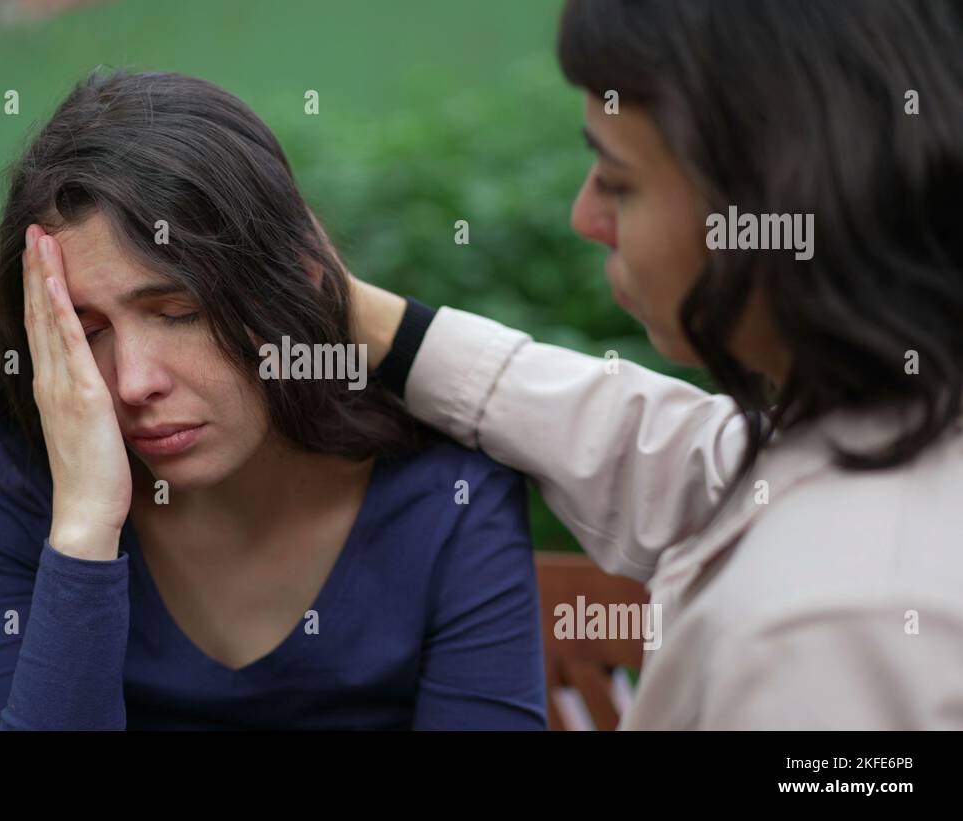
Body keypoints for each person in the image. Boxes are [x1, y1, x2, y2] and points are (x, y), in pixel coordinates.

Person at [347, 0, 963, 729]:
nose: (586, 217)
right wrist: (386, 331)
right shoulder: (900, 432)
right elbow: (694, 463)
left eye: (617, 180)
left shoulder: (826, 633)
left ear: (776, 192)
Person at [0, 69, 547, 730]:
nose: (133, 382)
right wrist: (83, 535)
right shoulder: (14, 478)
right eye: (86, 331)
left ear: (297, 281)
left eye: (179, 312)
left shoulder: (449, 494)